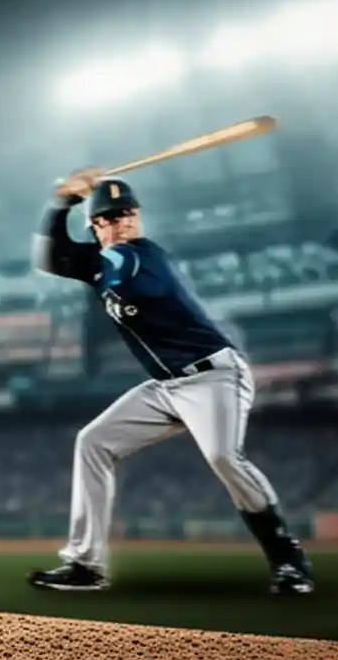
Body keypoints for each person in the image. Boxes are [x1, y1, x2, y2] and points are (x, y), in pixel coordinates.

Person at [26, 168, 315, 596]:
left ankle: (288, 560)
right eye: (109, 216)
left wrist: (86, 225)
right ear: (96, 225)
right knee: (93, 441)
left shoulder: (143, 256)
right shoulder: (103, 262)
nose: (120, 220)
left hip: (214, 374)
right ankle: (86, 565)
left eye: (126, 213)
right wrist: (62, 201)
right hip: (167, 387)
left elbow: (117, 271)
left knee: (222, 456)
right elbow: (48, 259)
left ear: (137, 217)